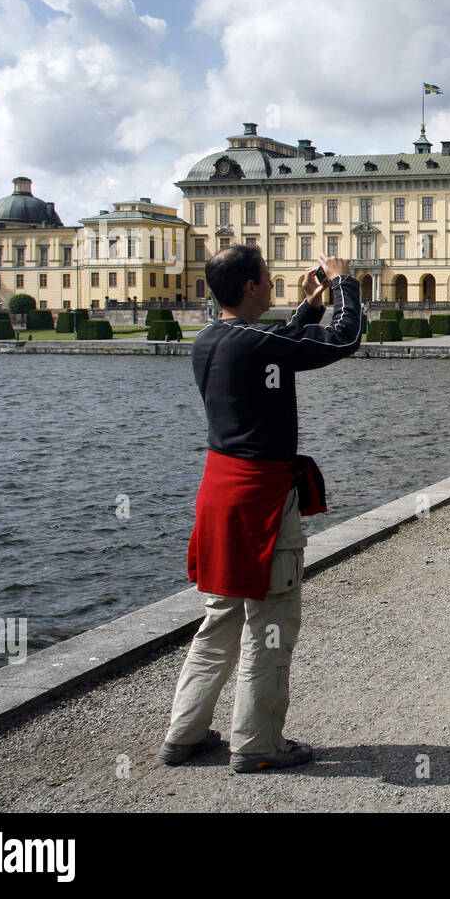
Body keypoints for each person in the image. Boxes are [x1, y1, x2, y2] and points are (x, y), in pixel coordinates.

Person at [161, 246, 362, 773]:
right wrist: (344, 284)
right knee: (271, 622)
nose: (274, 285)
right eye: (268, 279)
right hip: (262, 501)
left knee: (221, 617)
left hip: (219, 495)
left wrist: (307, 308)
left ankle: (184, 734)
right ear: (251, 286)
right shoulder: (255, 343)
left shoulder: (208, 340)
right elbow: (346, 340)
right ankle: (257, 745)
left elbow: (275, 345)